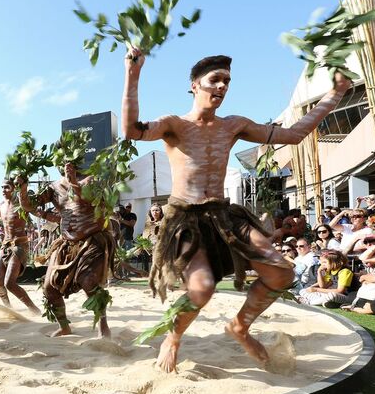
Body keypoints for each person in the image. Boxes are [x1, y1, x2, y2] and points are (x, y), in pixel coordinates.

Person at [121, 50, 351, 371]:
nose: (222, 87)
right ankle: (172, 337)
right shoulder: (174, 124)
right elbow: (132, 130)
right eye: (215, 80)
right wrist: (132, 74)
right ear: (194, 85)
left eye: (227, 81)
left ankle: (240, 326)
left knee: (281, 271)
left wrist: (336, 94)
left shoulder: (234, 125)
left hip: (224, 214)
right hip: (185, 219)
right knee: (201, 289)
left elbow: (295, 135)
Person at [18, 160, 116, 338]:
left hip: (92, 239)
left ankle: (103, 326)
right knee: (49, 287)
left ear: (78, 161)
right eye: (61, 161)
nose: (65, 165)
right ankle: (64, 327)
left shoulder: (91, 181)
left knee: (88, 281)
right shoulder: (53, 187)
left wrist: (73, 183)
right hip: (66, 242)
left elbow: (91, 202)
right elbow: (28, 206)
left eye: (69, 161)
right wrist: (23, 190)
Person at [0, 178, 41, 313]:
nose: (4, 190)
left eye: (7, 187)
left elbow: (37, 212)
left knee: (9, 283)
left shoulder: (22, 203)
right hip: (6, 244)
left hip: (19, 244)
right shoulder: (1, 205)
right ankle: (8, 308)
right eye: (2, 187)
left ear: (14, 188)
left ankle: (34, 310)